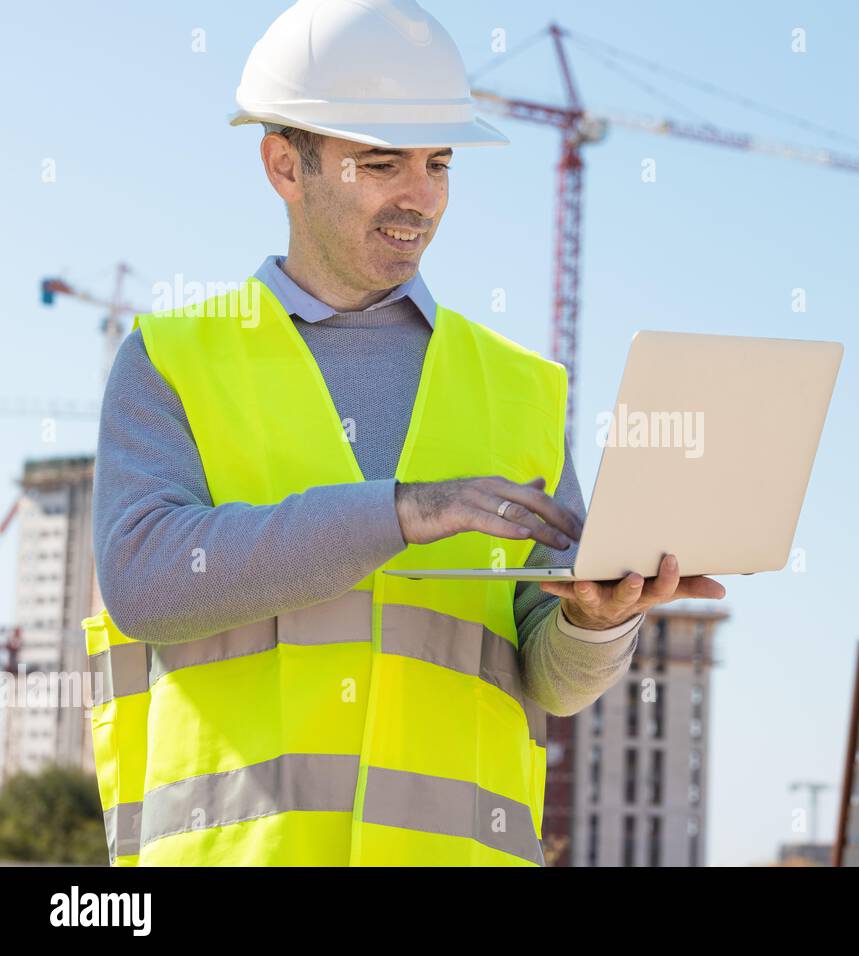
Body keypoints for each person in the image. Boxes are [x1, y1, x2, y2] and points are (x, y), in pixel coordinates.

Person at [84, 0, 724, 867]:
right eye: (380, 163)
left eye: (438, 163)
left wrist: (599, 627)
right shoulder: (172, 361)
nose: (419, 198)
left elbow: (549, 680)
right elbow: (147, 583)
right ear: (285, 165)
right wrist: (402, 513)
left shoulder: (520, 390)